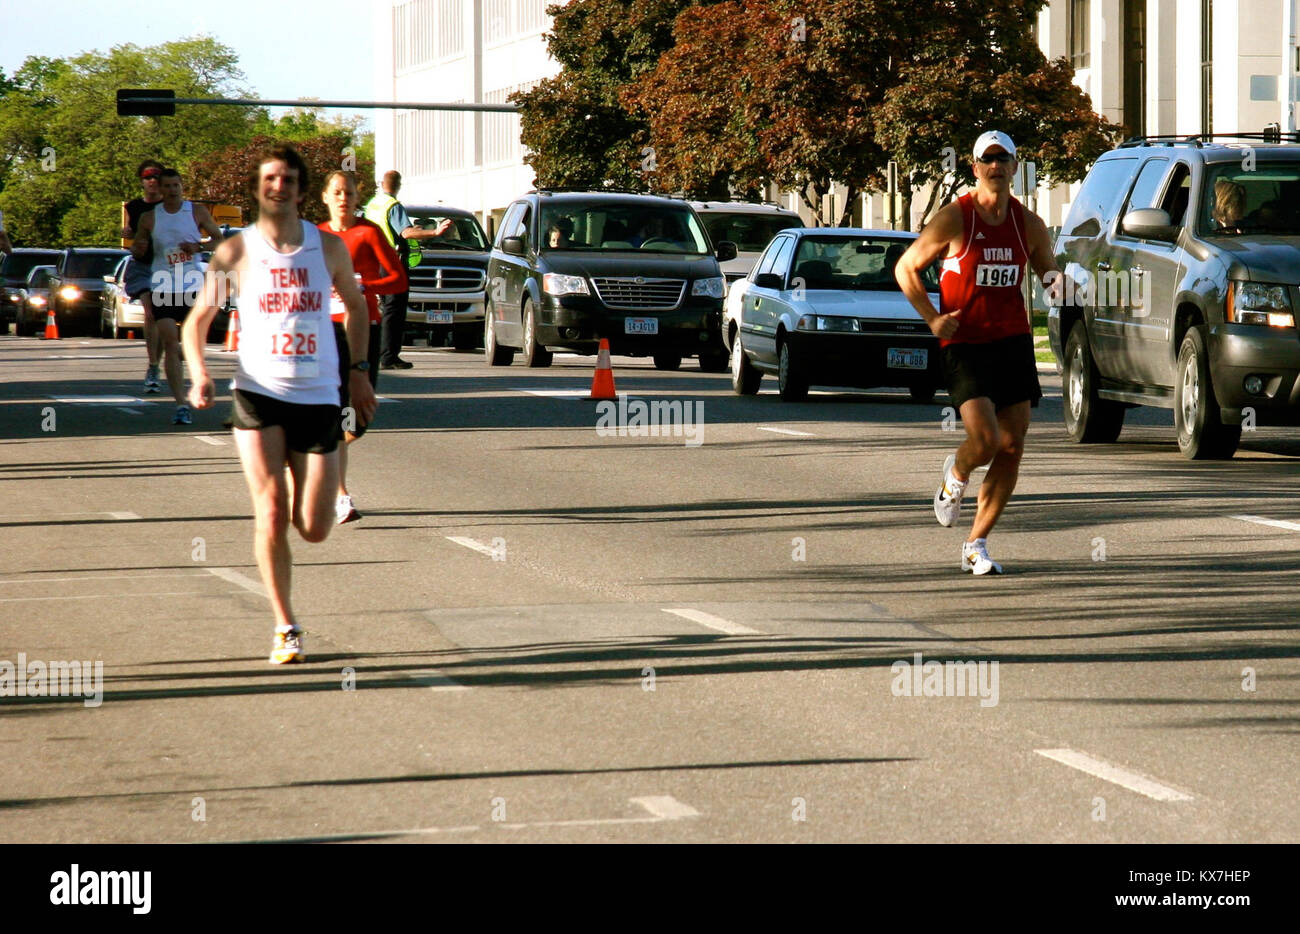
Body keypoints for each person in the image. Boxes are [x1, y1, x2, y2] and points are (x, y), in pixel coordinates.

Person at [181, 143, 377, 665]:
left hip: (318, 396)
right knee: (268, 512)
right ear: (257, 188)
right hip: (258, 393)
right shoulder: (235, 252)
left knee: (312, 528)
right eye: (270, 179)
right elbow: (198, 319)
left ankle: (297, 478)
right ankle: (285, 626)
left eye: (288, 179)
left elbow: (357, 308)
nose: (279, 187)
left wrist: (359, 375)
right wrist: (200, 373)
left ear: (300, 190)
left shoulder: (327, 248)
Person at [895, 130, 1060, 576]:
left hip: (1013, 342)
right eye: (988, 159)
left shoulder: (1029, 223)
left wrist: (1064, 285)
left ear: (1014, 165)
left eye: (1004, 158)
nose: (996, 166)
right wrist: (932, 317)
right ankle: (957, 474)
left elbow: (1049, 273)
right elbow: (906, 267)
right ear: (975, 167)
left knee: (1012, 446)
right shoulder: (955, 218)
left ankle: (976, 544)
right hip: (965, 343)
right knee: (984, 440)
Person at [318, 170, 406, 524]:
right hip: (324, 329)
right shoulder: (316, 236)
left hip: (363, 327)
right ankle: (340, 496)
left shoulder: (367, 232)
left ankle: (318, 453)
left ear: (358, 198)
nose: (343, 198)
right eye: (337, 192)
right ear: (325, 197)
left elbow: (398, 278)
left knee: (359, 417)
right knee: (337, 413)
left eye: (349, 193)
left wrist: (363, 284)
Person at [132, 168, 223, 425]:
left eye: (176, 186)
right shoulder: (150, 218)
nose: (172, 191)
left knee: (189, 343)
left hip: (192, 284)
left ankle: (194, 374)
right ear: (160, 190)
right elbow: (139, 249)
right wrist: (139, 248)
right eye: (168, 186)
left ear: (182, 187)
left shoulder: (197, 212)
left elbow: (219, 239)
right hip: (162, 284)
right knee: (170, 343)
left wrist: (198, 247)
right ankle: (181, 404)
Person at [363, 170, 449, 369]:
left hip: (375, 262)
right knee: (395, 310)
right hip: (392, 262)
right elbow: (406, 232)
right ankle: (389, 356)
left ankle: (379, 353)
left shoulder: (373, 205)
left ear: (381, 183)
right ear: (399, 185)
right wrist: (434, 231)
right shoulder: (393, 206)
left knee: (384, 310)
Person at [121, 161, 165, 391]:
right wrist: (127, 233)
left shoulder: (170, 206)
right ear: (141, 181)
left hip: (167, 267)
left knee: (164, 319)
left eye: (156, 177)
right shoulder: (134, 206)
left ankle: (155, 363)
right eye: (147, 177)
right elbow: (131, 231)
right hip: (142, 265)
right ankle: (153, 364)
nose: (152, 181)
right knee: (151, 312)